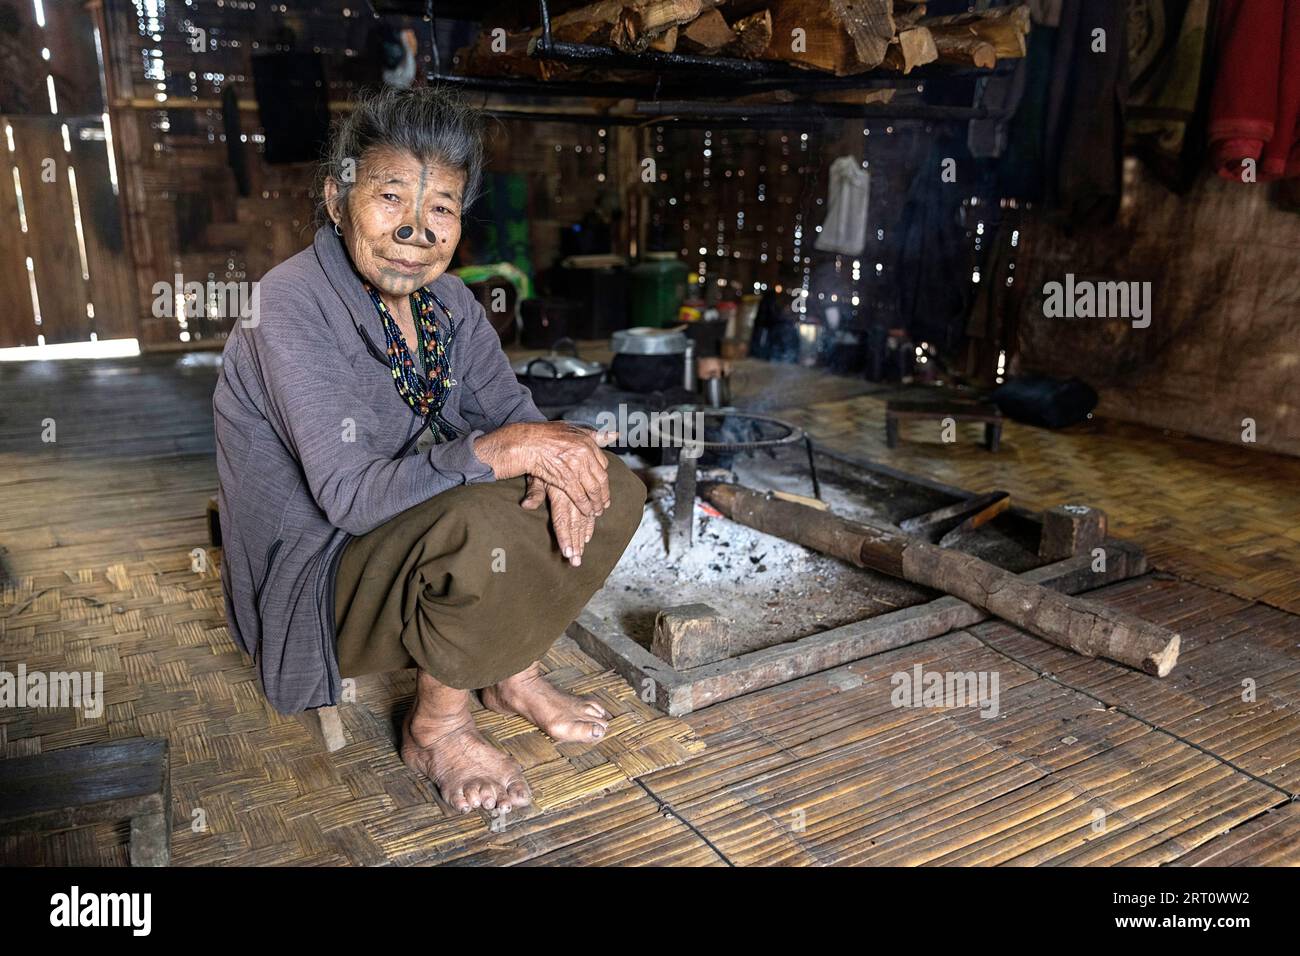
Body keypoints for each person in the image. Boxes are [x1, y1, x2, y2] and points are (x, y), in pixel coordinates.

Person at [213, 85, 646, 815]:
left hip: (408, 537)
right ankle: (437, 726)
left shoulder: (449, 305)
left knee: (611, 485)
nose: (416, 231)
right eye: (390, 199)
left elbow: (515, 414)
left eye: (440, 209)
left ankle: (509, 667)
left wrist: (554, 464)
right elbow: (350, 497)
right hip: (321, 576)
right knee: (478, 524)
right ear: (336, 198)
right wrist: (509, 450)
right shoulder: (286, 304)